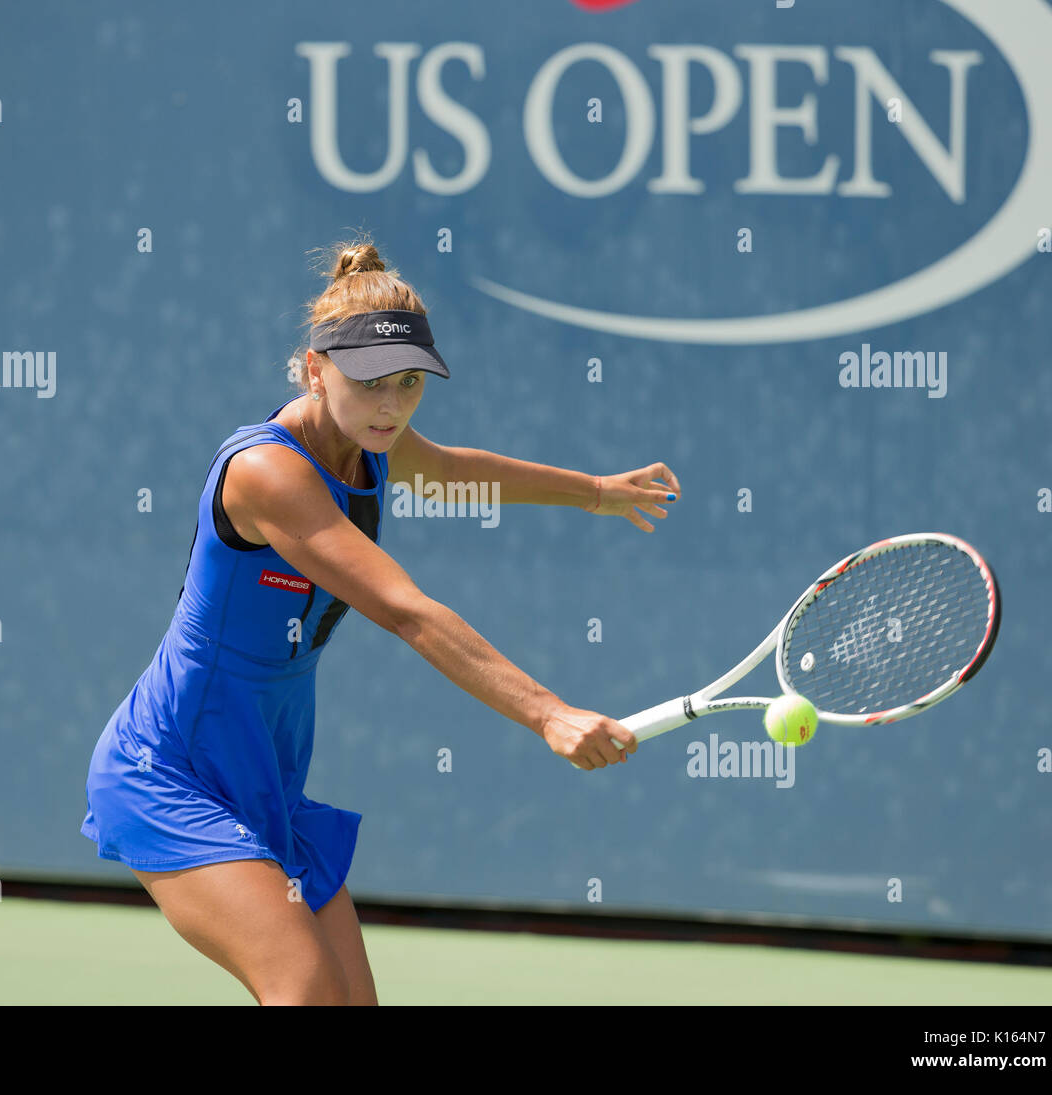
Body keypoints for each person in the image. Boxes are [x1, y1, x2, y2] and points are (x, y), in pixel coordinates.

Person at [80, 238, 681, 1005]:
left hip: (267, 768)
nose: (392, 405)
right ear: (313, 369)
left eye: (409, 383)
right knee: (298, 986)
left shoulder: (372, 445)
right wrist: (549, 713)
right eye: (369, 383)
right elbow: (405, 610)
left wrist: (596, 490)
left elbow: (456, 471)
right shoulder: (269, 473)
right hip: (170, 770)